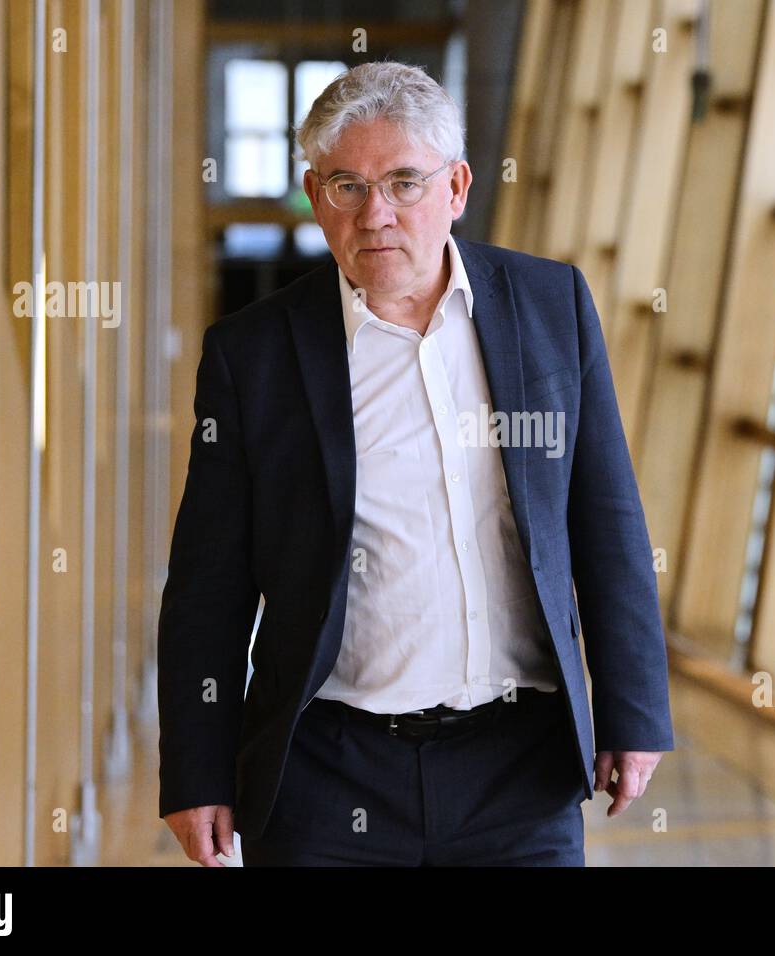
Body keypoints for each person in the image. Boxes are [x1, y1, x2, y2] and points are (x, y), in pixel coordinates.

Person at [157, 60, 674, 867]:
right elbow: (208, 586)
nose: (376, 215)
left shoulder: (551, 306)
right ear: (312, 192)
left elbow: (605, 516)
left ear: (458, 187)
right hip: (326, 774)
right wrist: (196, 771)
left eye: (404, 182)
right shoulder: (252, 356)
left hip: (520, 770)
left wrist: (635, 712)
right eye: (346, 186)